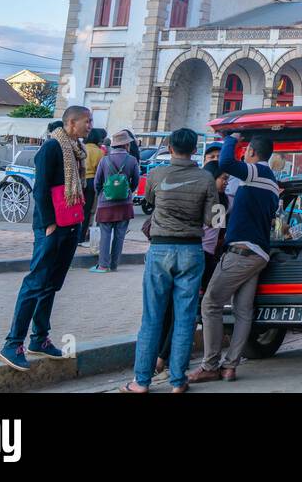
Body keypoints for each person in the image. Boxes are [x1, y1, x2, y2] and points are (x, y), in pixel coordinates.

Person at [0, 105, 92, 371]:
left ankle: (39, 339)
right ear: (71, 123)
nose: (90, 125)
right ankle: (12, 342)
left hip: (70, 225)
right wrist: (49, 223)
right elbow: (40, 190)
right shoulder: (52, 148)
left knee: (51, 284)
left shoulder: (76, 150)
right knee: (36, 282)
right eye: (87, 121)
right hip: (52, 227)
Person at [123, 128, 217, 393]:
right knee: (185, 317)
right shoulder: (205, 179)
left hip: (160, 250)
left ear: (171, 148)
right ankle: (178, 381)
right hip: (191, 251)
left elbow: (150, 202)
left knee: (152, 317)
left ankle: (141, 381)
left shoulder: (156, 174)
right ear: (195, 149)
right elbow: (212, 219)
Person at [190, 132, 280, 384]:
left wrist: (230, 138)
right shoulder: (273, 182)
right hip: (260, 253)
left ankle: (210, 365)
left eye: (245, 150)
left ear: (251, 151)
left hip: (241, 251)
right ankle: (230, 367)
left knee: (210, 303)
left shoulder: (255, 171)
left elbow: (226, 163)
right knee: (243, 311)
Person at [91, 130, 141, 273]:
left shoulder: (104, 160)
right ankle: (114, 265)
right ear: (126, 145)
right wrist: (126, 193)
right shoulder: (132, 160)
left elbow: (97, 182)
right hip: (124, 205)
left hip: (105, 204)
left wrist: (103, 194)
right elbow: (135, 182)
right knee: (120, 236)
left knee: (105, 234)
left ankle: (103, 265)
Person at [80, 128, 107, 246]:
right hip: (92, 182)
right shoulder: (99, 152)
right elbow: (101, 171)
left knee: (77, 208)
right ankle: (82, 236)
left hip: (79, 180)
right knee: (88, 211)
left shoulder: (81, 148)